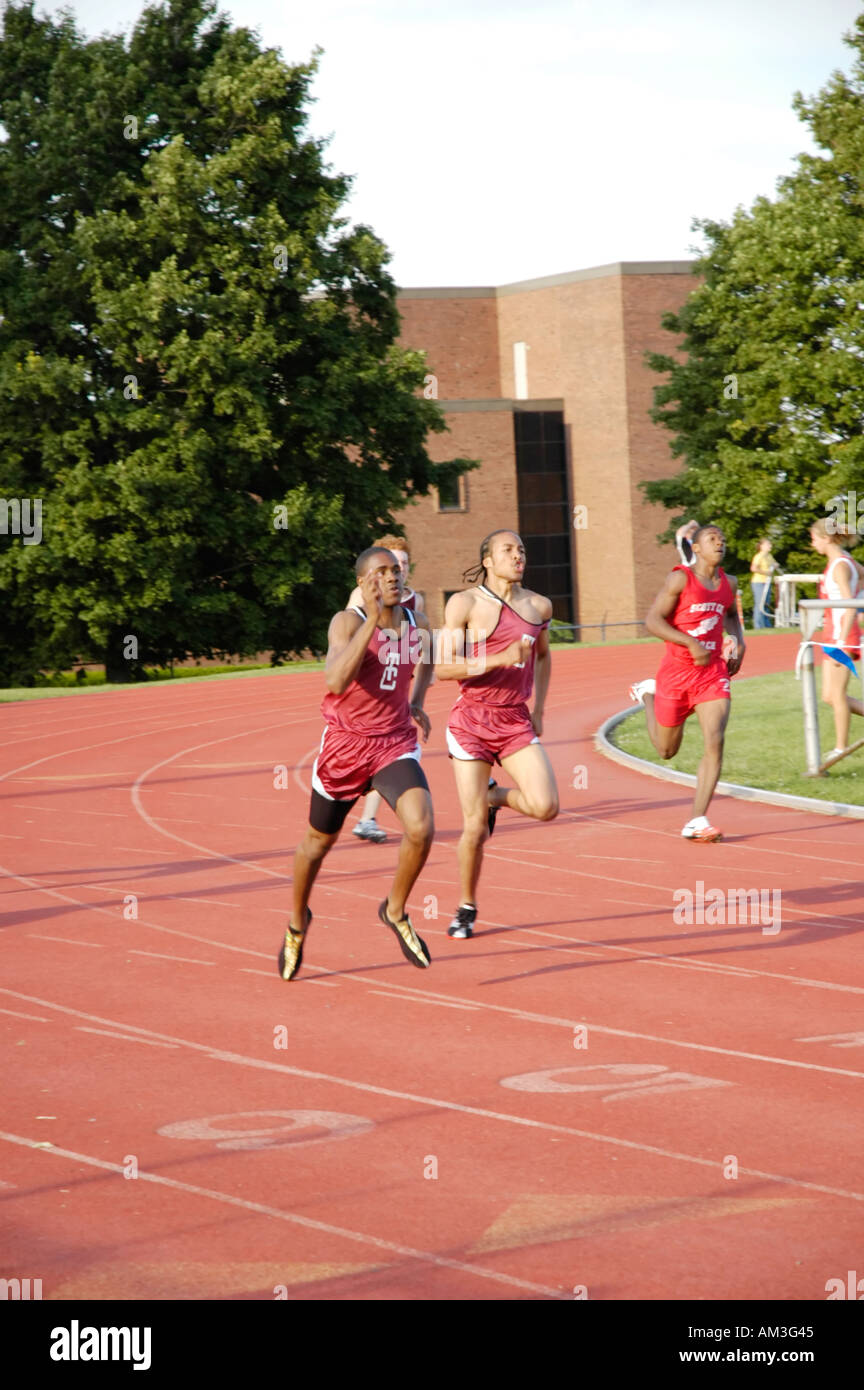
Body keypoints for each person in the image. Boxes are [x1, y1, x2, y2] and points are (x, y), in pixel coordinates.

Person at [278, 546, 435, 980]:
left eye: (397, 570)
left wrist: (417, 701)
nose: (393, 577)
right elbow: (334, 679)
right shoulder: (347, 622)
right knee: (317, 844)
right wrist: (370, 620)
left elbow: (429, 656)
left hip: (393, 743)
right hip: (346, 747)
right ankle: (297, 922)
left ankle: (395, 908)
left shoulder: (416, 622)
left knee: (421, 827)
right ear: (364, 582)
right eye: (381, 572)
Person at [434, 529, 558, 939]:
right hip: (472, 721)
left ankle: (494, 796)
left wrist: (538, 708)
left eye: (521, 548)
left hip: (515, 720)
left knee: (546, 806)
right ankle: (466, 906)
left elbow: (543, 657)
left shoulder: (539, 606)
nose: (518, 554)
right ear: (487, 560)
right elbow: (444, 668)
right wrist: (499, 657)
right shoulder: (464, 603)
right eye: (508, 549)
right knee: (473, 829)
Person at [628, 524, 746, 842]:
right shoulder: (680, 578)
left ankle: (697, 819)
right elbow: (652, 620)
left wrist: (739, 641)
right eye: (712, 539)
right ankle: (648, 696)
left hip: (712, 674)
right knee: (666, 750)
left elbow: (732, 615)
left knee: (715, 738)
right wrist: (688, 643)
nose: (720, 543)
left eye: (722, 539)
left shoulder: (728, 583)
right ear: (696, 547)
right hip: (676, 674)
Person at [347, 535, 418, 844]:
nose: (397, 570)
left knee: (395, 757)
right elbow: (350, 638)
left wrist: (417, 697)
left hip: (394, 704)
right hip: (359, 704)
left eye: (402, 564)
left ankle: (369, 818)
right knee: (322, 826)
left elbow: (423, 649)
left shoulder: (416, 603)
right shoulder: (358, 599)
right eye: (391, 563)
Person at [809, 518, 864, 759]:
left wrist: (843, 639)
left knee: (838, 695)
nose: (812, 544)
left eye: (814, 539)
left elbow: (850, 605)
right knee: (828, 696)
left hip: (843, 635)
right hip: (832, 634)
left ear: (826, 538)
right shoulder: (841, 562)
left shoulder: (841, 564)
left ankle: (841, 748)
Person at [749, 538, 776, 628]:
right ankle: (758, 625)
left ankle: (766, 624)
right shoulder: (759, 556)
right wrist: (766, 572)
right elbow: (753, 568)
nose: (770, 546)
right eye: (768, 544)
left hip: (767, 582)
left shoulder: (769, 556)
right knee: (760, 603)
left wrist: (775, 566)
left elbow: (775, 564)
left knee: (766, 603)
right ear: (762, 546)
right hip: (758, 582)